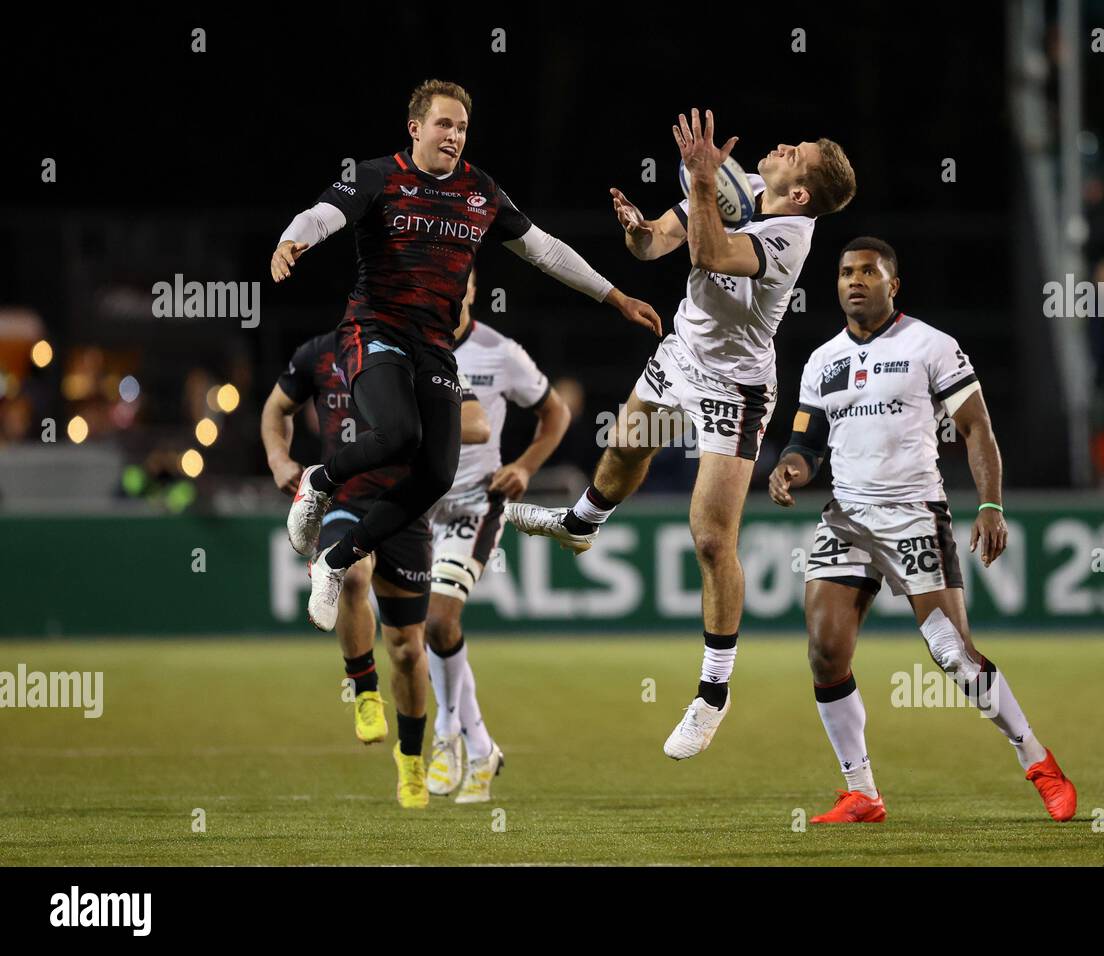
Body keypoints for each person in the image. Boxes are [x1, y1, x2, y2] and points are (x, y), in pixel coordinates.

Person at [507, 109, 857, 760]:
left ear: (802, 192)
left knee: (710, 538)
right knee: (624, 450)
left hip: (737, 389)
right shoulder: (742, 183)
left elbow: (711, 250)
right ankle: (581, 526)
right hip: (683, 356)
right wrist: (639, 232)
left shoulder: (790, 234)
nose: (778, 145)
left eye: (794, 151)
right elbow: (662, 244)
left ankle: (712, 695)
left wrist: (700, 179)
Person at [270, 77, 661, 642]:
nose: (454, 135)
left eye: (462, 127)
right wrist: (291, 240)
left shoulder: (480, 191)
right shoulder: (379, 175)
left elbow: (545, 249)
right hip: (373, 331)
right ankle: (322, 481)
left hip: (433, 345)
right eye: (443, 124)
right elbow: (324, 212)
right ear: (416, 127)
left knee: (436, 472)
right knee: (400, 434)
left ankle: (334, 562)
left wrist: (616, 296)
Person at [768, 237, 1076, 823]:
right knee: (825, 652)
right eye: (844, 273)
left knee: (952, 656)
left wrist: (992, 505)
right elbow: (805, 444)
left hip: (914, 514)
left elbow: (976, 428)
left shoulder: (931, 345)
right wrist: (790, 469)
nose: (854, 281)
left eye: (868, 272)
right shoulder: (820, 360)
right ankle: (862, 791)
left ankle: (1037, 759)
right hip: (847, 519)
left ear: (893, 284)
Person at [261, 332, 488, 808]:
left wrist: (420, 418)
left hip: (404, 509)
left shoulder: (420, 353)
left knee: (407, 649)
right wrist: (279, 459)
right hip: (345, 499)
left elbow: (477, 424)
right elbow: (275, 408)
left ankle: (410, 759)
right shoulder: (317, 353)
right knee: (353, 573)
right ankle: (363, 686)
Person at [422, 270, 572, 804]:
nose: (448, 296)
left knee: (440, 622)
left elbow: (556, 412)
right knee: (425, 634)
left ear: (471, 291)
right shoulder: (411, 346)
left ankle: (445, 733)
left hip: (474, 504)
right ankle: (482, 747)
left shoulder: (499, 352)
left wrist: (526, 467)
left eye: (456, 287)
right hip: (416, 507)